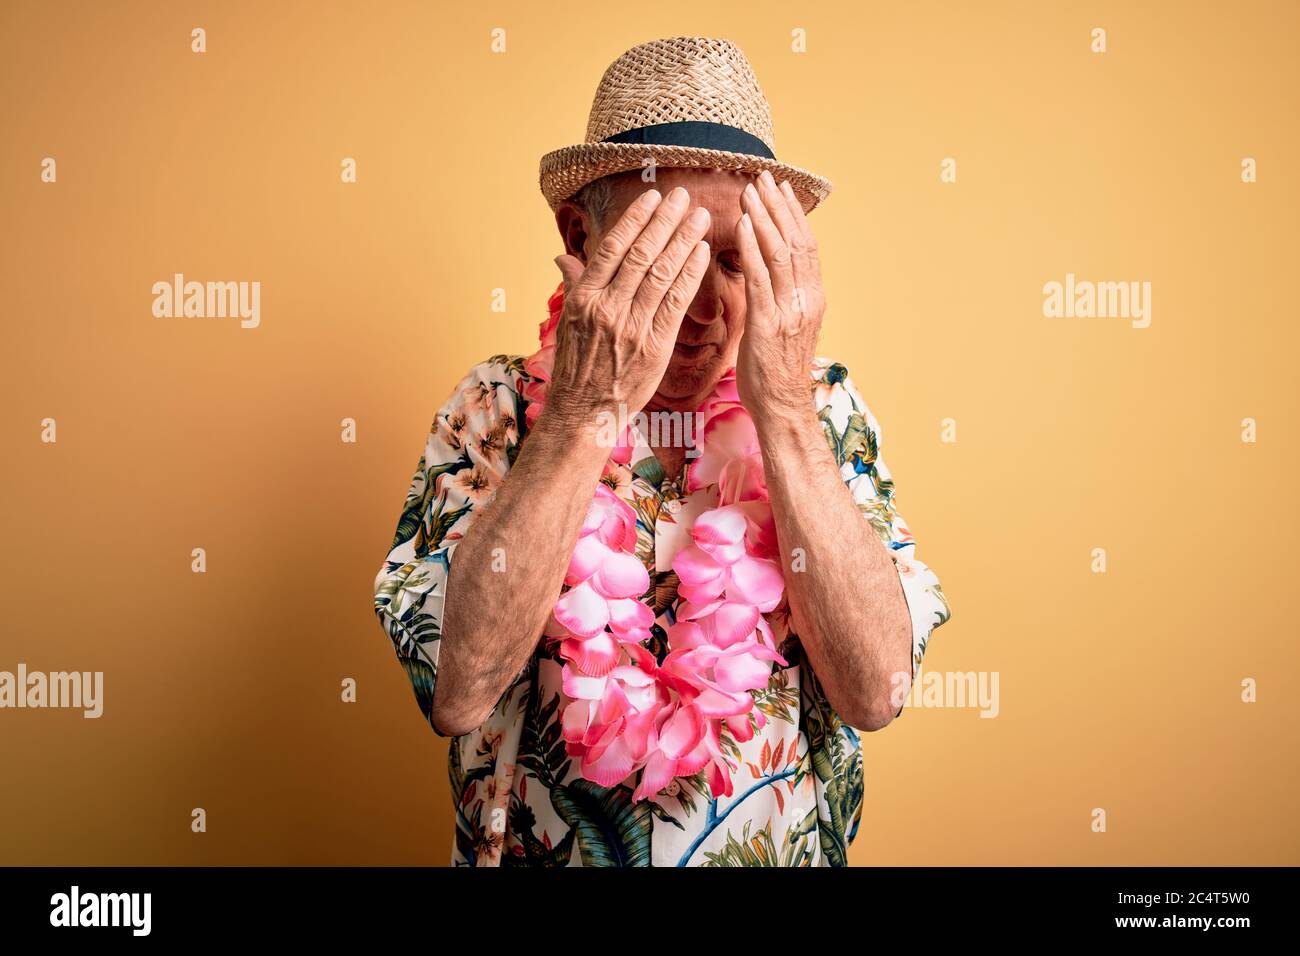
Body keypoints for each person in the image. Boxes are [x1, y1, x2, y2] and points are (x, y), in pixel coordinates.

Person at [372, 35, 951, 867]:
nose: (707, 309)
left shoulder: (823, 407)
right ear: (582, 233)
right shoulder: (495, 407)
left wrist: (784, 414)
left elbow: (875, 693)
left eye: (734, 262)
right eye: (666, 263)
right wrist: (579, 413)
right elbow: (457, 692)